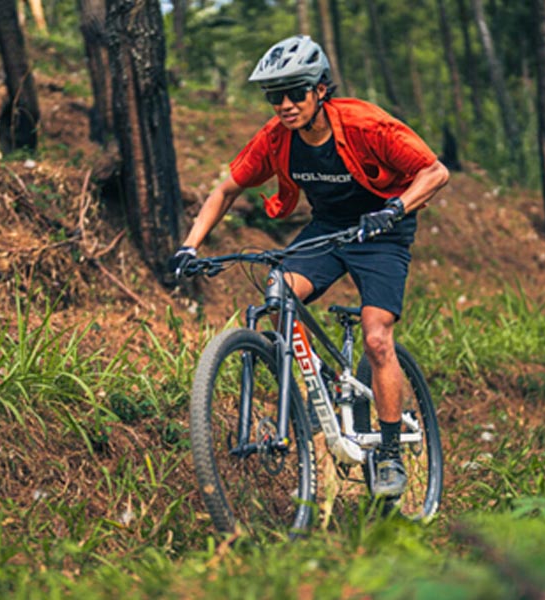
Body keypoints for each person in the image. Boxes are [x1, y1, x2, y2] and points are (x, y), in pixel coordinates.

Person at [169, 35, 449, 498]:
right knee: (277, 292)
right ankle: (317, 386)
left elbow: (435, 172)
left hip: (382, 233)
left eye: (295, 92)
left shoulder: (366, 125)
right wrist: (188, 247)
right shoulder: (275, 138)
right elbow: (225, 190)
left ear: (320, 89)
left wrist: (394, 209)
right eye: (274, 96)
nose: (285, 104)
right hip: (329, 230)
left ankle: (390, 453)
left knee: (377, 337)